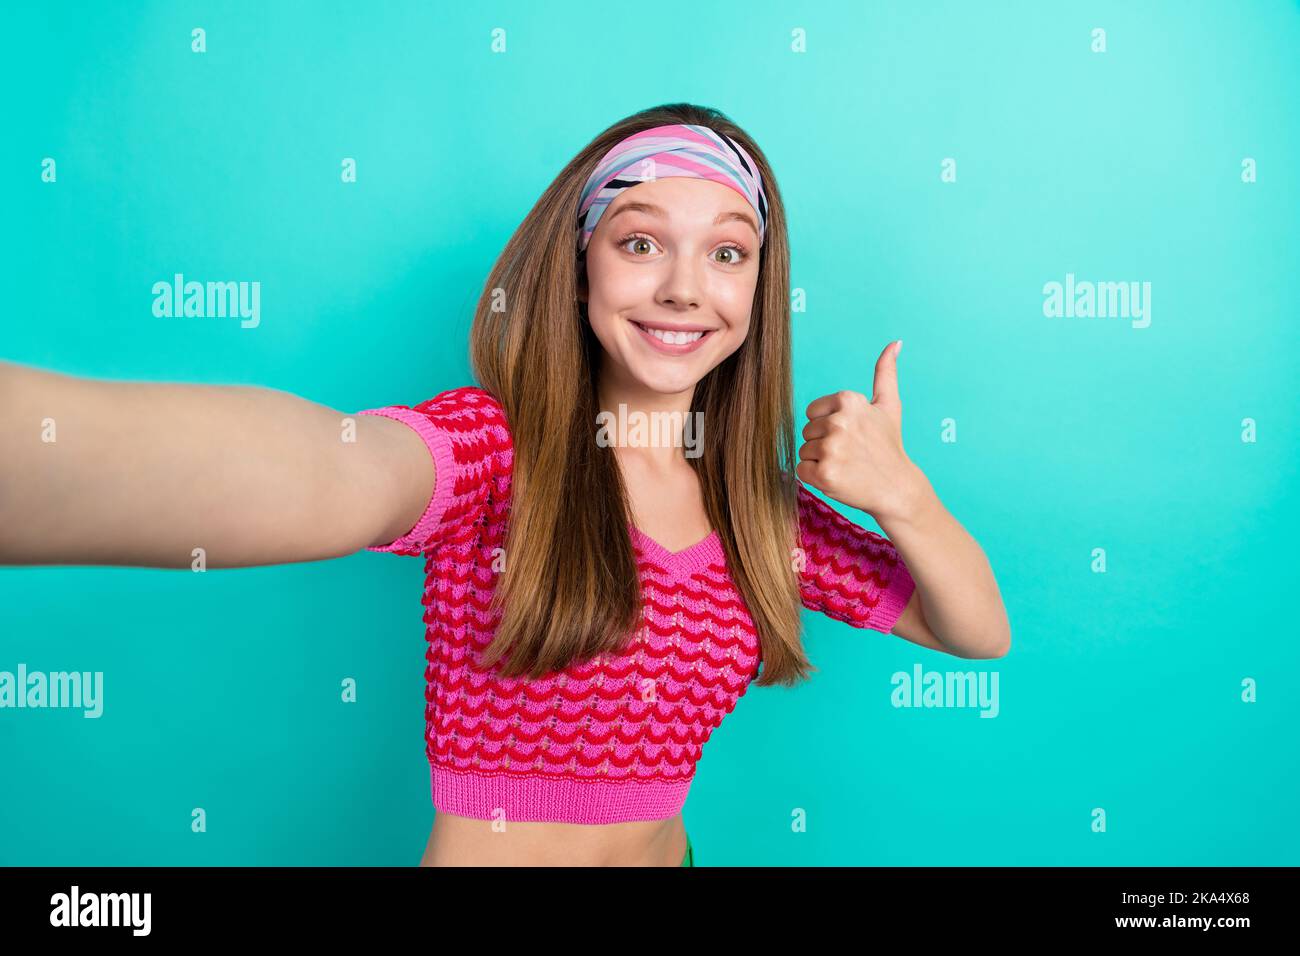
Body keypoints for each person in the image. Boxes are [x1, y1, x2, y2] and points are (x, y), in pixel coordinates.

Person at [0, 102, 1010, 867]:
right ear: (579, 270)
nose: (683, 287)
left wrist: (902, 496)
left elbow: (972, 628)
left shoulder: (758, 514)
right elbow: (336, 468)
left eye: (728, 252)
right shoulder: (495, 450)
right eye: (641, 240)